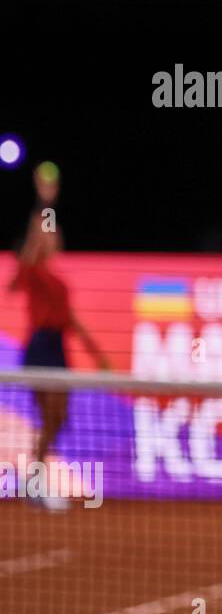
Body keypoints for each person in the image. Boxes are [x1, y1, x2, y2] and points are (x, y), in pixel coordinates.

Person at [7, 163, 111, 510]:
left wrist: (97, 354)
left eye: (54, 232)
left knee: (59, 418)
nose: (55, 235)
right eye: (50, 233)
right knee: (51, 415)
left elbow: (73, 322)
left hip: (58, 349)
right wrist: (45, 203)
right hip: (40, 348)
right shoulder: (35, 273)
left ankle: (34, 479)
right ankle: (35, 484)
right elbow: (30, 251)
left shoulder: (59, 284)